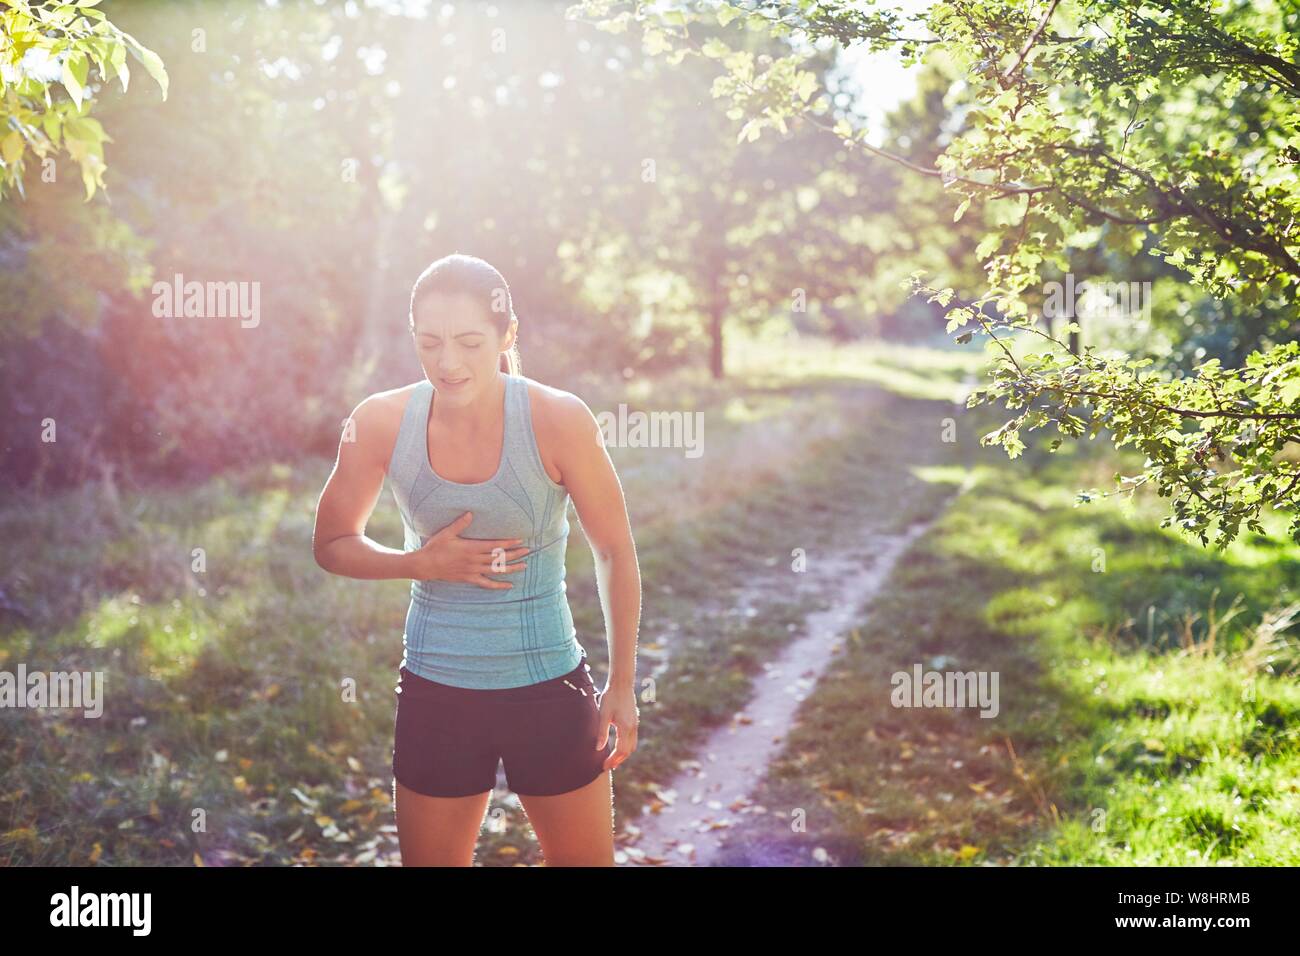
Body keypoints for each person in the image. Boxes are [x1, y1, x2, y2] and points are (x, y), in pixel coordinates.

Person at [312, 253, 640, 866]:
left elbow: (615, 550)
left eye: (468, 342)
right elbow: (331, 544)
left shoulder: (558, 419)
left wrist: (622, 683)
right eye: (430, 342)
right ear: (412, 336)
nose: (448, 362)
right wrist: (419, 564)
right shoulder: (379, 421)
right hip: (436, 692)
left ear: (507, 335)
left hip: (549, 685)